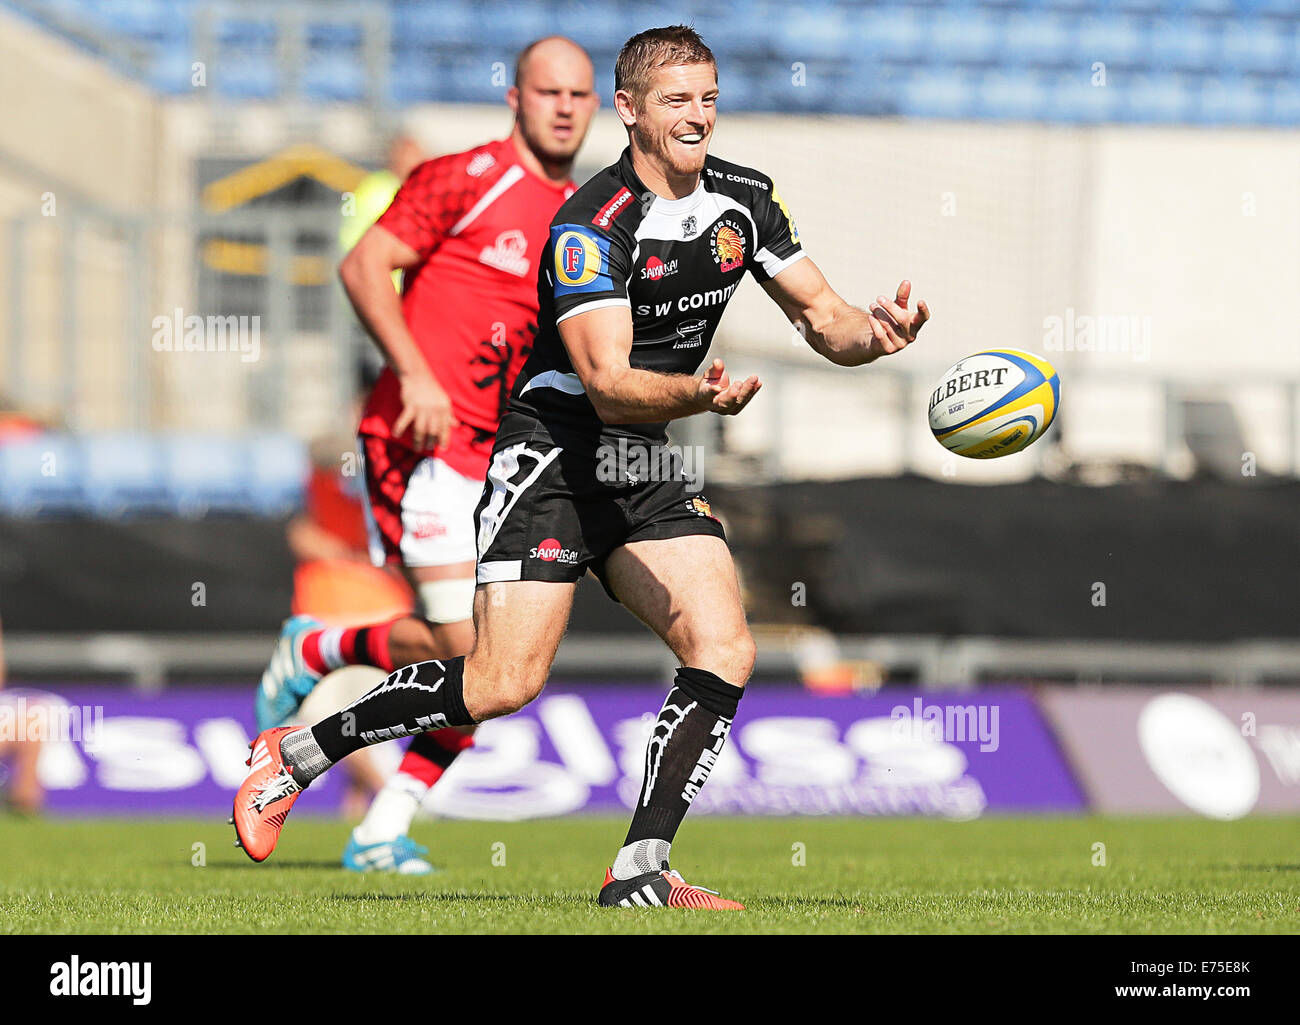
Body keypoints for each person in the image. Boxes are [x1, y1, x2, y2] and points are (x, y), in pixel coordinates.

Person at [235, 26, 929, 909]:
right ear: (631, 111)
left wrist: (875, 336)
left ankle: (640, 867)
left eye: (709, 98)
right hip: (554, 457)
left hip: (643, 461)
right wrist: (700, 398)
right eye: (678, 101)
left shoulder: (746, 199)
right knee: (499, 682)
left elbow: (823, 315)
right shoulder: (588, 224)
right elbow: (603, 384)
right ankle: (296, 755)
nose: (699, 117)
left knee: (725, 645)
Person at [252, 36, 599, 873]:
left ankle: (377, 808)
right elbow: (364, 262)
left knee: (489, 663)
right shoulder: (465, 177)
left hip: (507, 456)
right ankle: (322, 663)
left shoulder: (591, 211)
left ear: (600, 106)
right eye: (546, 90)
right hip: (422, 442)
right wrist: (413, 372)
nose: (562, 106)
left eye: (578, 94)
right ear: (514, 98)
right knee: (469, 651)